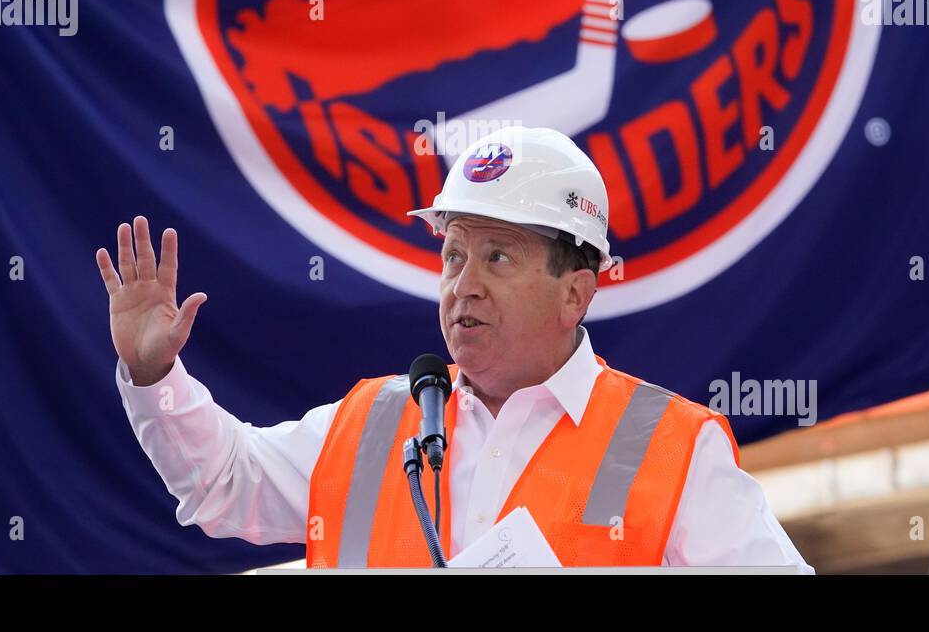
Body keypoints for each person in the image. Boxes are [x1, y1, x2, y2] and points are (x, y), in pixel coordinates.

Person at [100, 126, 812, 570]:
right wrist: (152, 372)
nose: (461, 286)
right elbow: (224, 483)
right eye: (452, 255)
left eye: (498, 257)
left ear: (576, 293)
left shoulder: (673, 449)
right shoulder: (368, 424)